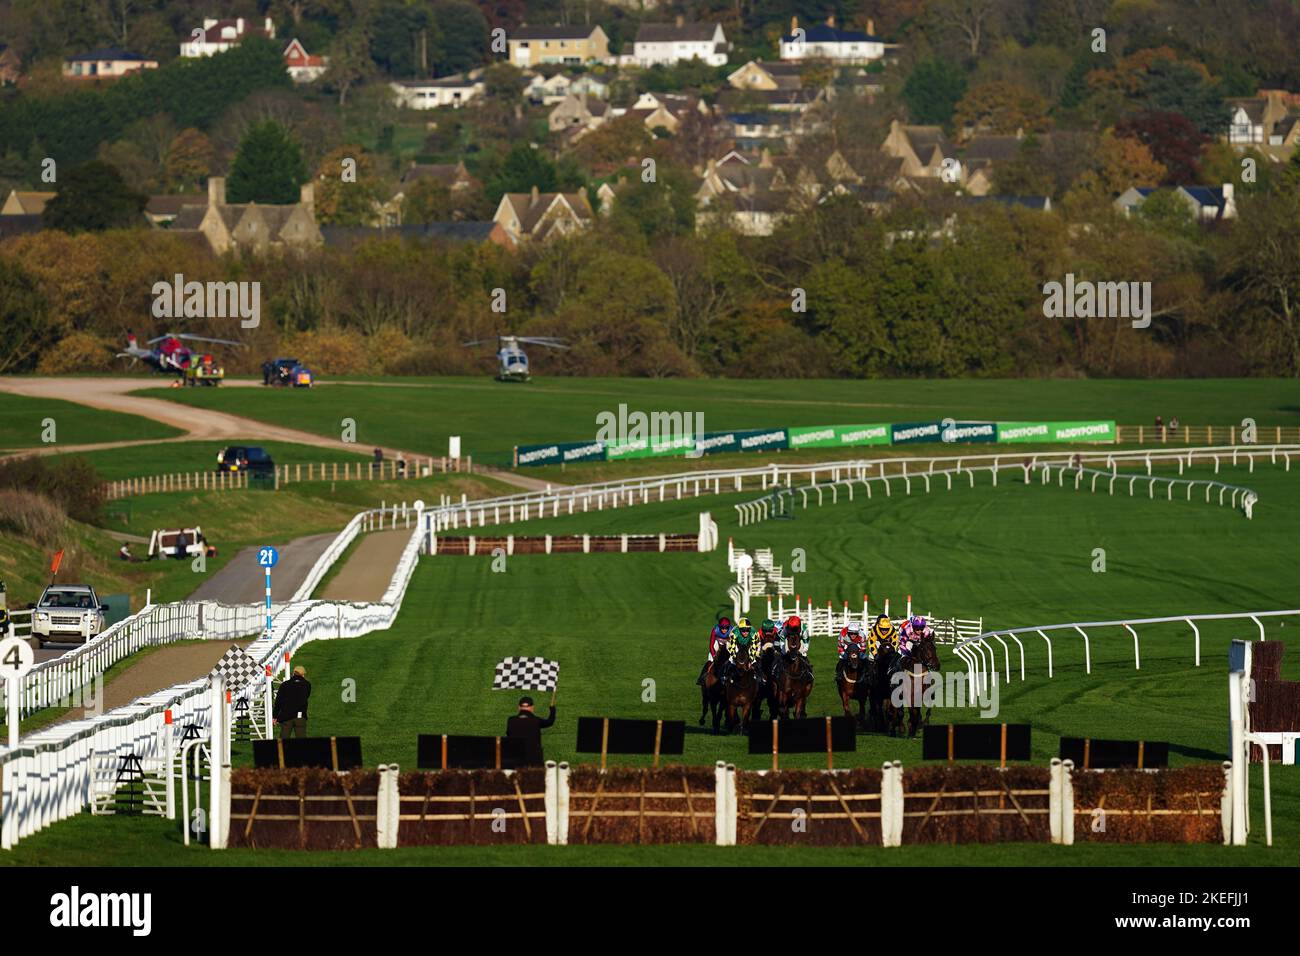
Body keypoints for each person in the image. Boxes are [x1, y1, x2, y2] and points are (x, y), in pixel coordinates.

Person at [506, 693, 556, 765]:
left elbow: (508, 734)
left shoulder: (511, 720)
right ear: (532, 708)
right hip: (534, 761)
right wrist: (552, 709)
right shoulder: (536, 721)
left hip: (516, 760)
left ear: (519, 707)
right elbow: (550, 722)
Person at [273, 665, 312, 739]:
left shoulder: (285, 685)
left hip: (286, 717)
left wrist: (275, 716)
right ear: (303, 674)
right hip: (300, 716)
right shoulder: (307, 684)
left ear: (293, 673)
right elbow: (306, 696)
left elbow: (278, 702)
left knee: (283, 742)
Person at [697, 616, 733, 685]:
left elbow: (733, 644)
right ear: (719, 627)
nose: (724, 630)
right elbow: (711, 645)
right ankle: (703, 676)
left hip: (728, 643)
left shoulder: (732, 631)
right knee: (710, 659)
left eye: (726, 628)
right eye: (722, 628)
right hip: (717, 643)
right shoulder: (715, 630)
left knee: (732, 660)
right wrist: (714, 655)